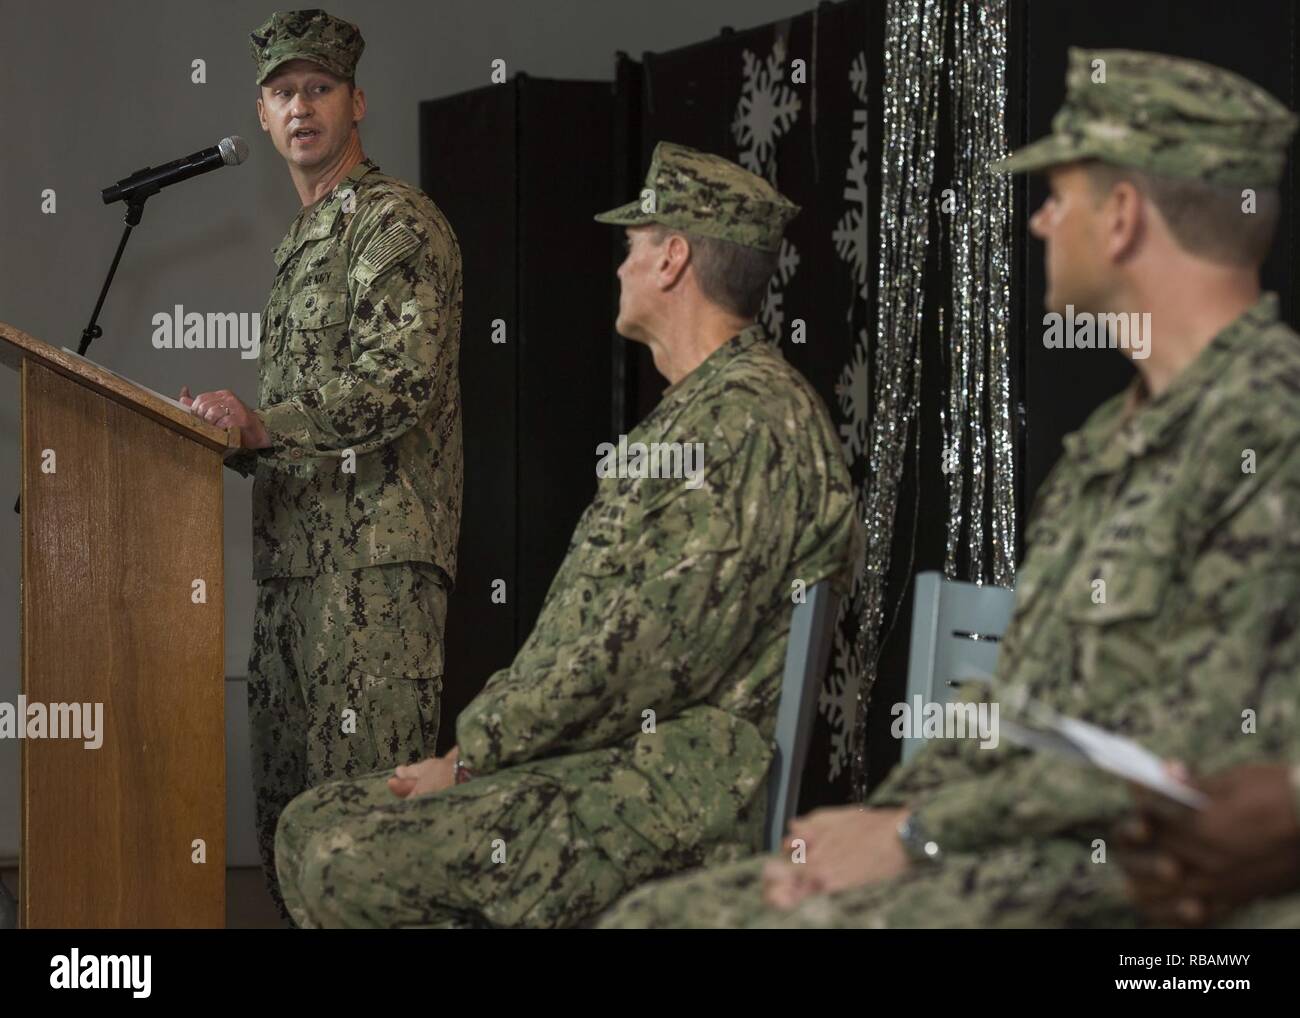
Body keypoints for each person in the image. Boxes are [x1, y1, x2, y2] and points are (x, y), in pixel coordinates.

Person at [599, 48, 1300, 929]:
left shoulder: (1266, 431)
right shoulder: (1111, 446)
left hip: (1135, 894)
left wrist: (916, 835)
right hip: (1008, 852)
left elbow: (1170, 758)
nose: (1039, 223)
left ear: (1121, 216)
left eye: (1059, 198)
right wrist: (880, 822)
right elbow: (1022, 703)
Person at [272, 141, 862, 928]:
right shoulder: (701, 412)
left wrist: (474, 756)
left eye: (632, 246)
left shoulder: (745, 422)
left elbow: (644, 656)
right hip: (608, 761)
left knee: (338, 859)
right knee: (306, 822)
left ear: (672, 258)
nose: (619, 267)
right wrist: (480, 751)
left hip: (671, 791)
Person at [181, 9, 463, 922]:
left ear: (356, 103)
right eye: (281, 92)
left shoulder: (394, 223)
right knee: (294, 840)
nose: (299, 107)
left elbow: (401, 382)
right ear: (260, 116)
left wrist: (261, 425)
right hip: (294, 582)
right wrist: (218, 436)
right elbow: (297, 433)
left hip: (372, 586)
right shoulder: (301, 243)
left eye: (318, 88)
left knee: (365, 849)